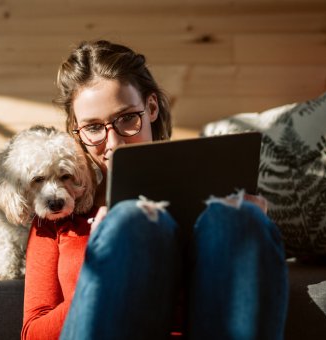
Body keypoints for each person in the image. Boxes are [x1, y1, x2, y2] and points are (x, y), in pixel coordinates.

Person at [21, 40, 288, 340]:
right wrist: (101, 268)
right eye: (93, 127)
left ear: (150, 107)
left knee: (241, 219)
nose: (114, 143)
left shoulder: (213, 209)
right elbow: (32, 333)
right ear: (77, 131)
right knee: (132, 222)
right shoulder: (56, 216)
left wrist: (254, 228)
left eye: (126, 118)